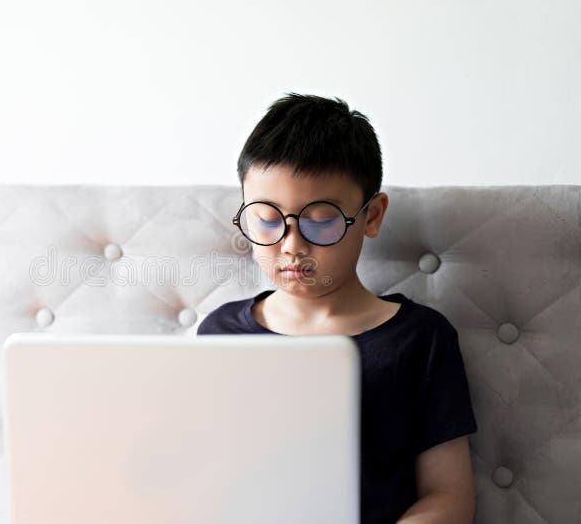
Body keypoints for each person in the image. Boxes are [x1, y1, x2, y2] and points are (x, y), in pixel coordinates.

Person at [197, 93, 478, 524]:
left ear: (371, 216)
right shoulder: (220, 334)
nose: (292, 246)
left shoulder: (420, 338)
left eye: (320, 220)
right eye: (267, 219)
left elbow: (449, 497)